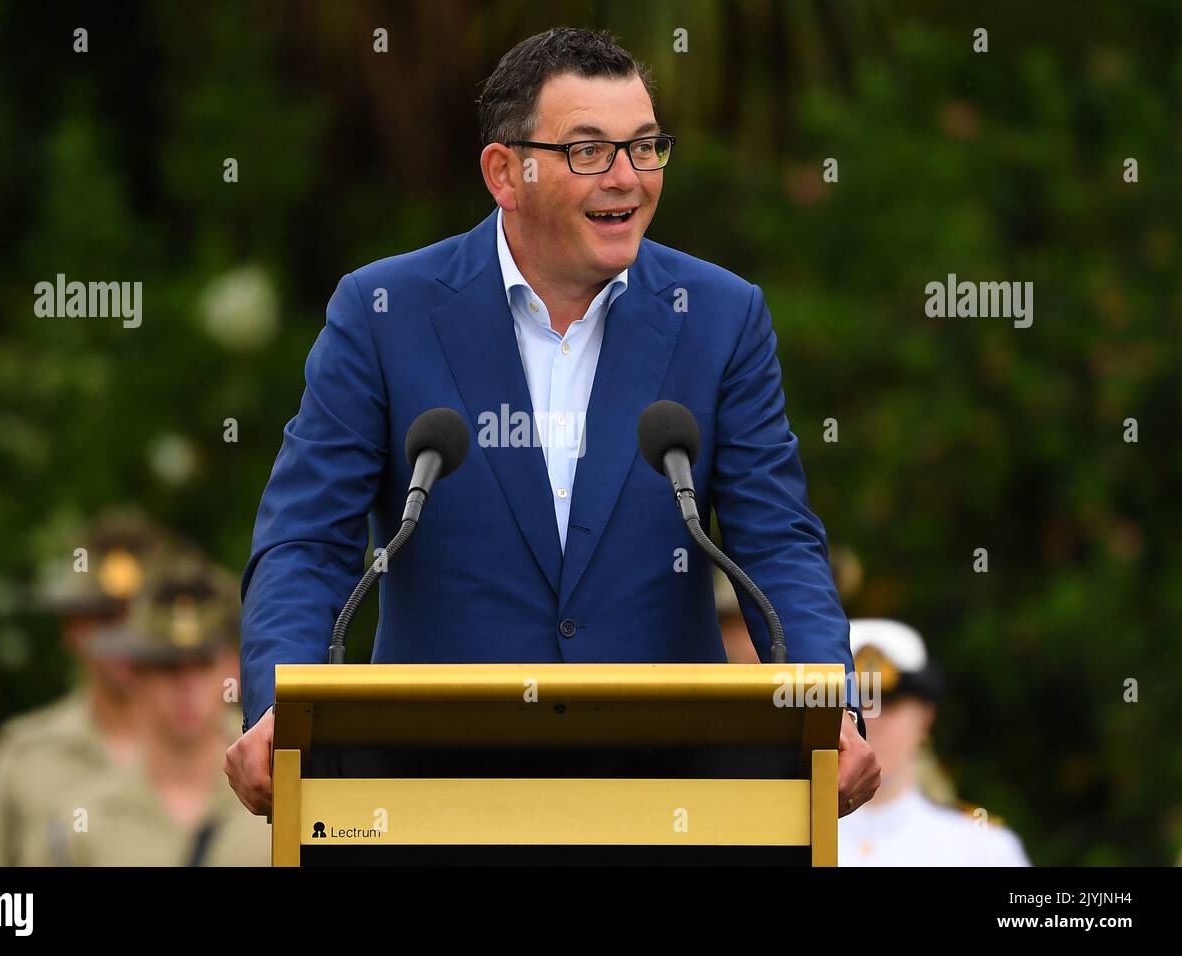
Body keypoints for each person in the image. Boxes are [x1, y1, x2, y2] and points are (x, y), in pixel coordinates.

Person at [227, 27, 877, 818]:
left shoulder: (720, 316)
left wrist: (832, 706)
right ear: (506, 172)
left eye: (645, 147)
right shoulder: (383, 312)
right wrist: (274, 708)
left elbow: (777, 540)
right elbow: (307, 541)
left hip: (666, 803)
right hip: (434, 801)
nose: (629, 178)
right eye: (590, 151)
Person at [0, 508, 175, 866]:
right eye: (104, 616)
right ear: (71, 630)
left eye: (140, 614)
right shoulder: (24, 755)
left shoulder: (229, 752)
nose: (125, 635)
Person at [54, 560, 269, 866]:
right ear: (134, 673)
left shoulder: (277, 792)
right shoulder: (83, 822)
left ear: (232, 666)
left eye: (201, 664)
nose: (186, 687)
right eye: (167, 666)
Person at [838, 618, 1031, 866]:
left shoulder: (986, 850)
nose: (871, 721)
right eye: (855, 705)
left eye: (890, 704)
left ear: (926, 717)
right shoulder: (787, 839)